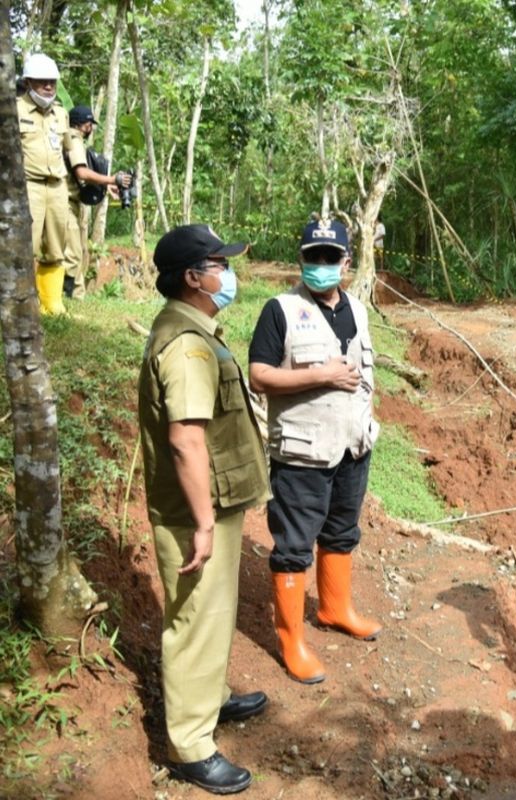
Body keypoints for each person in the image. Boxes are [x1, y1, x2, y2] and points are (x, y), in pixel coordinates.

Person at [138, 224, 270, 795]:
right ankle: (190, 744)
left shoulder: (191, 327)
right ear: (193, 278)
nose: (228, 273)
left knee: (213, 613)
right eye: (220, 263)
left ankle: (210, 701)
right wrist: (203, 523)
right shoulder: (188, 345)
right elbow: (186, 439)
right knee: (196, 621)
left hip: (212, 499)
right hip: (197, 508)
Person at [248, 218, 382, 685]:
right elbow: (260, 376)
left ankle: (334, 607)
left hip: (352, 446)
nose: (321, 265)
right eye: (313, 256)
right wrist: (320, 376)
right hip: (302, 453)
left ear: (347, 261)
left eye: (330, 257)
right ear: (301, 259)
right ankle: (291, 640)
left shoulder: (358, 310)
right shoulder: (280, 310)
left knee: (342, 531)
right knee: (293, 546)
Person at [17, 53, 71, 315]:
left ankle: (52, 302)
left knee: (57, 243)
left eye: (52, 81)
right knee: (26, 244)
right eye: (41, 82)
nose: (48, 86)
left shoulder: (61, 114)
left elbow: (71, 152)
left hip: (58, 186)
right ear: (28, 82)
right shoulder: (12, 110)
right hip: (29, 185)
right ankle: (24, 303)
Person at [62, 105, 131, 298]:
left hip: (70, 201)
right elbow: (82, 172)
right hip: (65, 202)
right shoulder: (74, 139)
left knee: (74, 251)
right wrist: (112, 179)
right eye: (90, 124)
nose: (92, 128)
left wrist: (105, 186)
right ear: (83, 124)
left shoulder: (71, 139)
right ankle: (73, 297)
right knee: (73, 254)